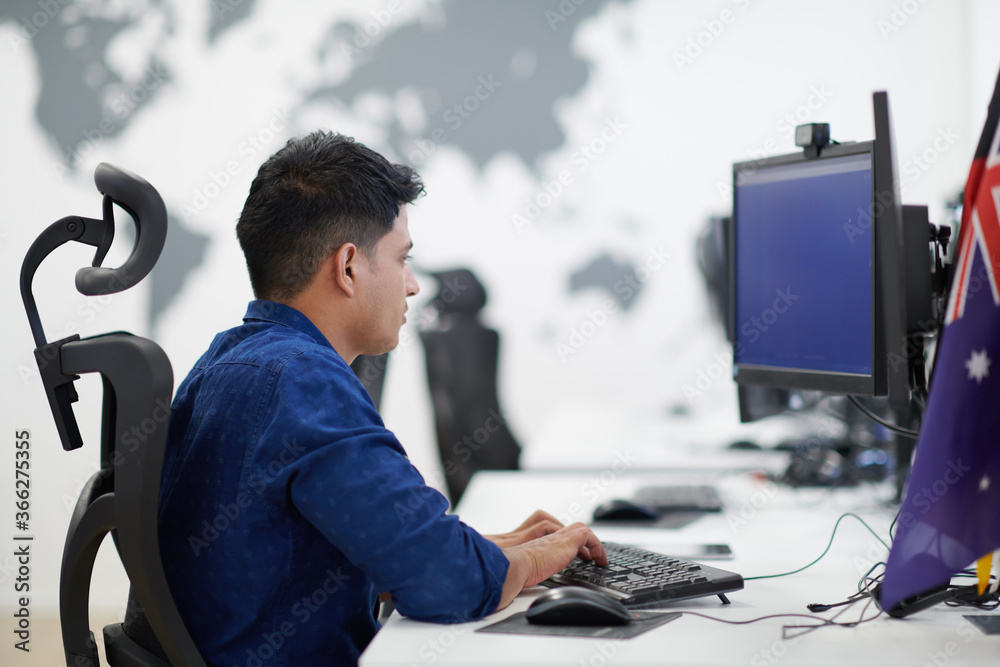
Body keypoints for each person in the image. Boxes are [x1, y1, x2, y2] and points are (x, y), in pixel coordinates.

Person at [157, 131, 607, 666]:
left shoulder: (231, 359)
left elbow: (338, 549)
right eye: (401, 260)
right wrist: (537, 561)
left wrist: (494, 549)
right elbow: (450, 586)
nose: (413, 285)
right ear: (348, 268)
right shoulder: (305, 384)